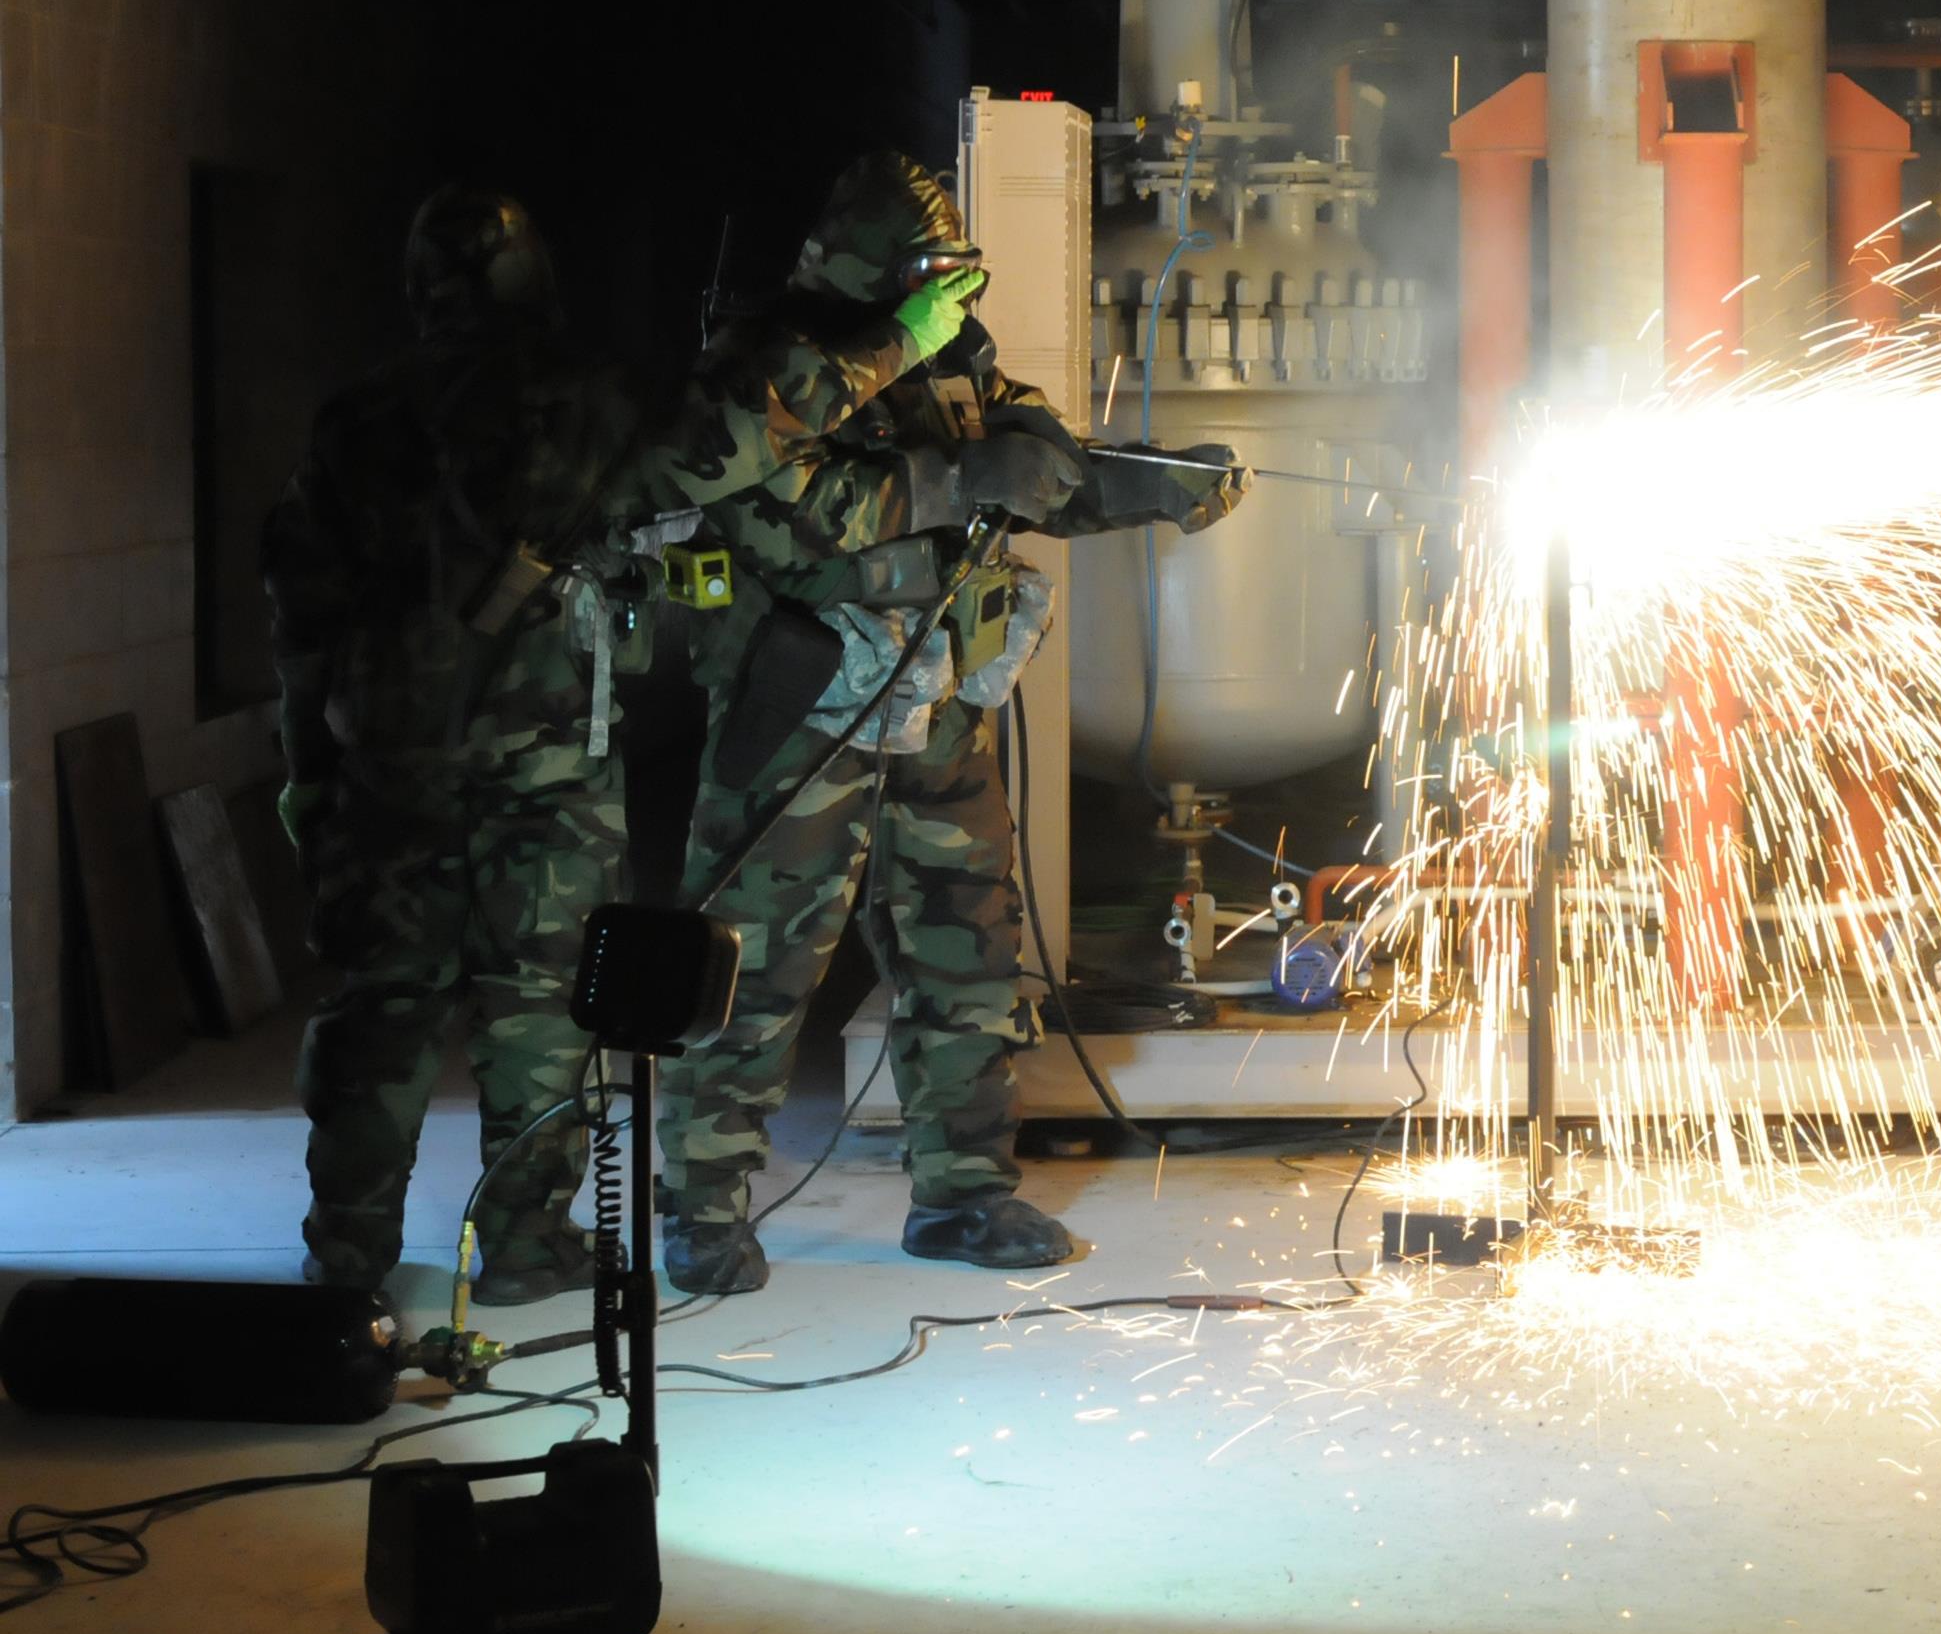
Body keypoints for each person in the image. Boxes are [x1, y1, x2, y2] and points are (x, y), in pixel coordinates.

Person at [654, 150, 1242, 1294]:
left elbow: (1041, 472)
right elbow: (797, 513)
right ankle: (702, 1209)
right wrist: (963, 475)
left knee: (964, 953)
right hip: (803, 711)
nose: (950, 300)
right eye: (927, 282)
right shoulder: (770, 364)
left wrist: (1154, 485)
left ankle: (964, 1200)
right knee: (755, 968)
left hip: (935, 705)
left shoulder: (952, 360)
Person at [266, 186, 651, 1305]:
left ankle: (350, 1250)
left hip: (395, 767)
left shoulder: (359, 416)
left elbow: (300, 608)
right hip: (550, 772)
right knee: (540, 1011)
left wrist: (309, 772)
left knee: (382, 1015)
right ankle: (525, 1244)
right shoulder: (596, 403)